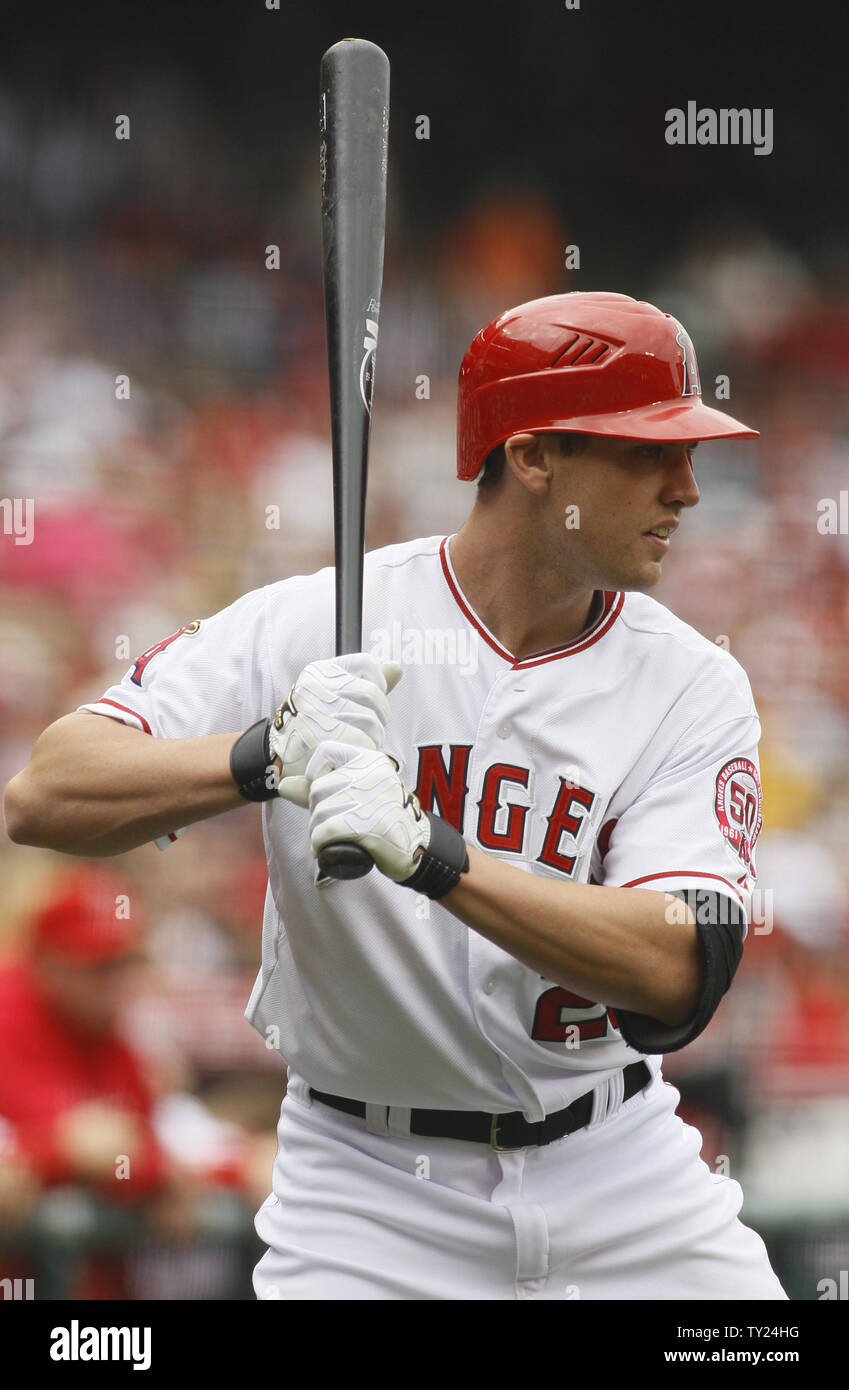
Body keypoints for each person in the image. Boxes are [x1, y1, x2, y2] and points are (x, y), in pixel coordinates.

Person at [4, 291, 787, 1300]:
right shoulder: (321, 621)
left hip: (620, 1171)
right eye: (650, 454)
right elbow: (47, 792)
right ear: (533, 456)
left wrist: (432, 857)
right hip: (368, 1192)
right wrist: (263, 756)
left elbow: (681, 969)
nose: (687, 490)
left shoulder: (690, 682)